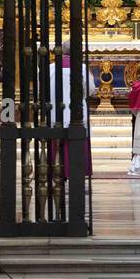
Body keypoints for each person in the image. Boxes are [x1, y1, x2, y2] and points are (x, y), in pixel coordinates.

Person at [49, 39, 97, 176]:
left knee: (57, 141)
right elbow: (90, 89)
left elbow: (43, 89)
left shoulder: (51, 68)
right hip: (76, 112)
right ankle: (78, 171)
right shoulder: (81, 68)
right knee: (77, 140)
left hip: (56, 111)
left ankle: (58, 171)